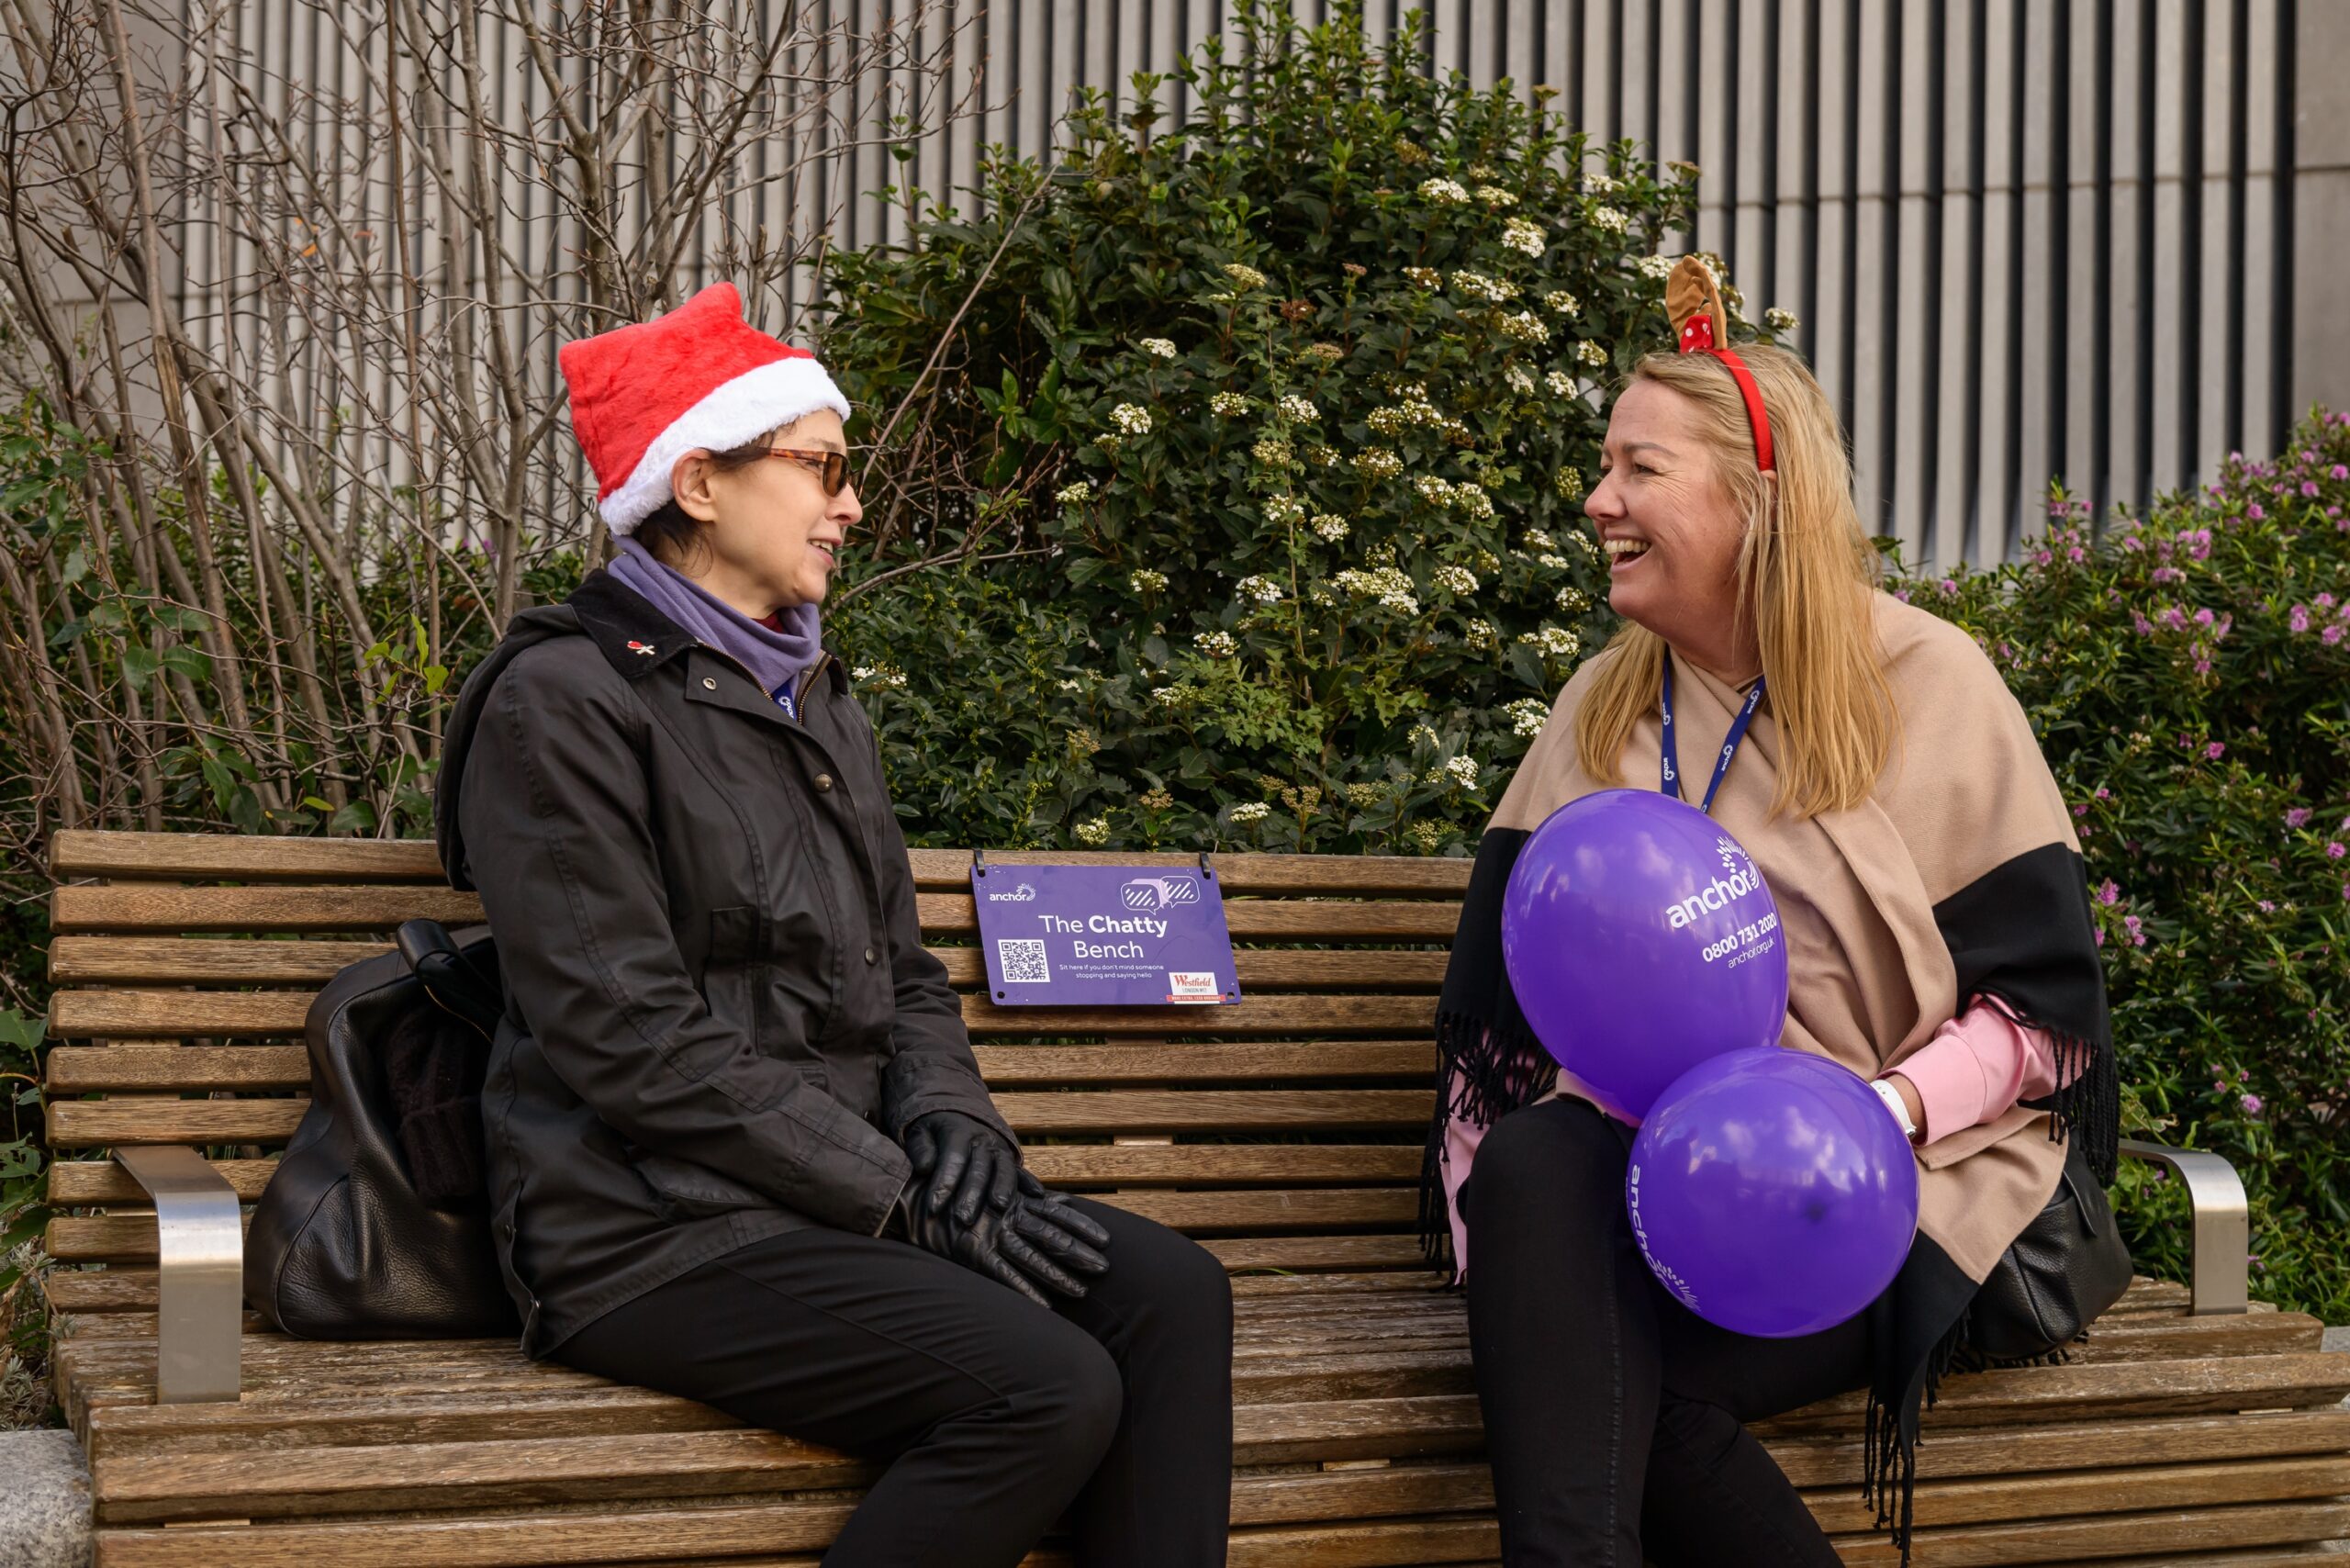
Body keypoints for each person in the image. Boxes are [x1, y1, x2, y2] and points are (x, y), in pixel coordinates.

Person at [433, 283, 1234, 1568]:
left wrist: (953, 1135)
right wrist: (899, 1193)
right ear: (699, 482)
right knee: (1045, 1385)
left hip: (831, 1196)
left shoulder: (810, 693)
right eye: (820, 467)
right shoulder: (565, 703)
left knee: (1175, 1297)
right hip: (642, 1229)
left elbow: (902, 971)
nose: (850, 503)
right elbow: (628, 1034)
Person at [1421, 258, 2115, 1566]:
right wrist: (1502, 1260)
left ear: (1758, 501)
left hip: (1883, 1181)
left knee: (1628, 1392)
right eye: (1604, 467)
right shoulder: (1599, 708)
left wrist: (1883, 1109)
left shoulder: (1928, 683)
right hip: (1628, 1191)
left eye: (1639, 470)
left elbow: (2043, 1021)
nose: (1598, 500)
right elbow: (1506, 1044)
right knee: (1535, 1175)